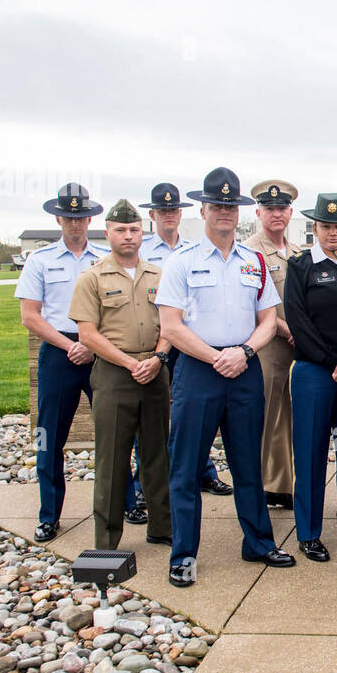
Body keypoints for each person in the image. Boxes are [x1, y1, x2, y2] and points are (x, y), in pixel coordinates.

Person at [156, 167, 291, 588]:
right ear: (203, 209)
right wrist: (218, 358)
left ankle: (258, 541)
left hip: (245, 367)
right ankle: (183, 555)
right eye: (217, 205)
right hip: (199, 370)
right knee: (187, 466)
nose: (225, 213)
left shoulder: (254, 262)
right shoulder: (182, 261)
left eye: (231, 206)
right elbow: (171, 326)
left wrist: (246, 352)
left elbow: (269, 318)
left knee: (248, 460)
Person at [68, 199, 172, 549]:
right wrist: (131, 364)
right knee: (112, 459)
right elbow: (88, 334)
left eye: (134, 230)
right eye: (120, 230)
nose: (128, 236)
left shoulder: (159, 275)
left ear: (144, 232)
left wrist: (157, 358)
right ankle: (107, 539)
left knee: (158, 455)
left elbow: (171, 325)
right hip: (115, 374)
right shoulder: (92, 278)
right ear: (107, 232)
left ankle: (162, 527)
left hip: (155, 372)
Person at [16, 182, 108, 542]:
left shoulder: (103, 260)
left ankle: (126, 503)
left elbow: (111, 311)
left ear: (90, 219)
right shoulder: (40, 260)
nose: (75, 224)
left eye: (81, 217)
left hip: (98, 349)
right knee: (49, 437)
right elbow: (31, 315)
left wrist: (90, 344)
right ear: (58, 218)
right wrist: (70, 346)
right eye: (69, 217)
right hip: (59, 350)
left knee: (115, 432)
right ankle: (49, 514)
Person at [283, 192, 337, 561]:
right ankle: (308, 532)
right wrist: (331, 360)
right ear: (315, 228)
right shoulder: (300, 266)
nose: (332, 232)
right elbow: (297, 321)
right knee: (311, 453)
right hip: (314, 373)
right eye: (325, 226)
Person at [135, 182, 230, 501]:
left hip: (190, 340)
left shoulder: (193, 249)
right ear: (152, 215)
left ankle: (204, 472)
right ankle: (143, 484)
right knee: (152, 415)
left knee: (193, 412)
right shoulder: (141, 252)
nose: (169, 215)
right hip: (155, 339)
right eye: (163, 211)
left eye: (174, 210)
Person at [246, 178, 302, 511]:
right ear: (258, 212)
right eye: (270, 208)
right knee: (263, 419)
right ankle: (253, 489)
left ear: (290, 212)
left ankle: (281, 484)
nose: (276, 214)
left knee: (290, 419)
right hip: (267, 345)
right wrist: (282, 328)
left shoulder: (296, 253)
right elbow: (250, 302)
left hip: (296, 347)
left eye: (281, 208)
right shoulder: (251, 251)